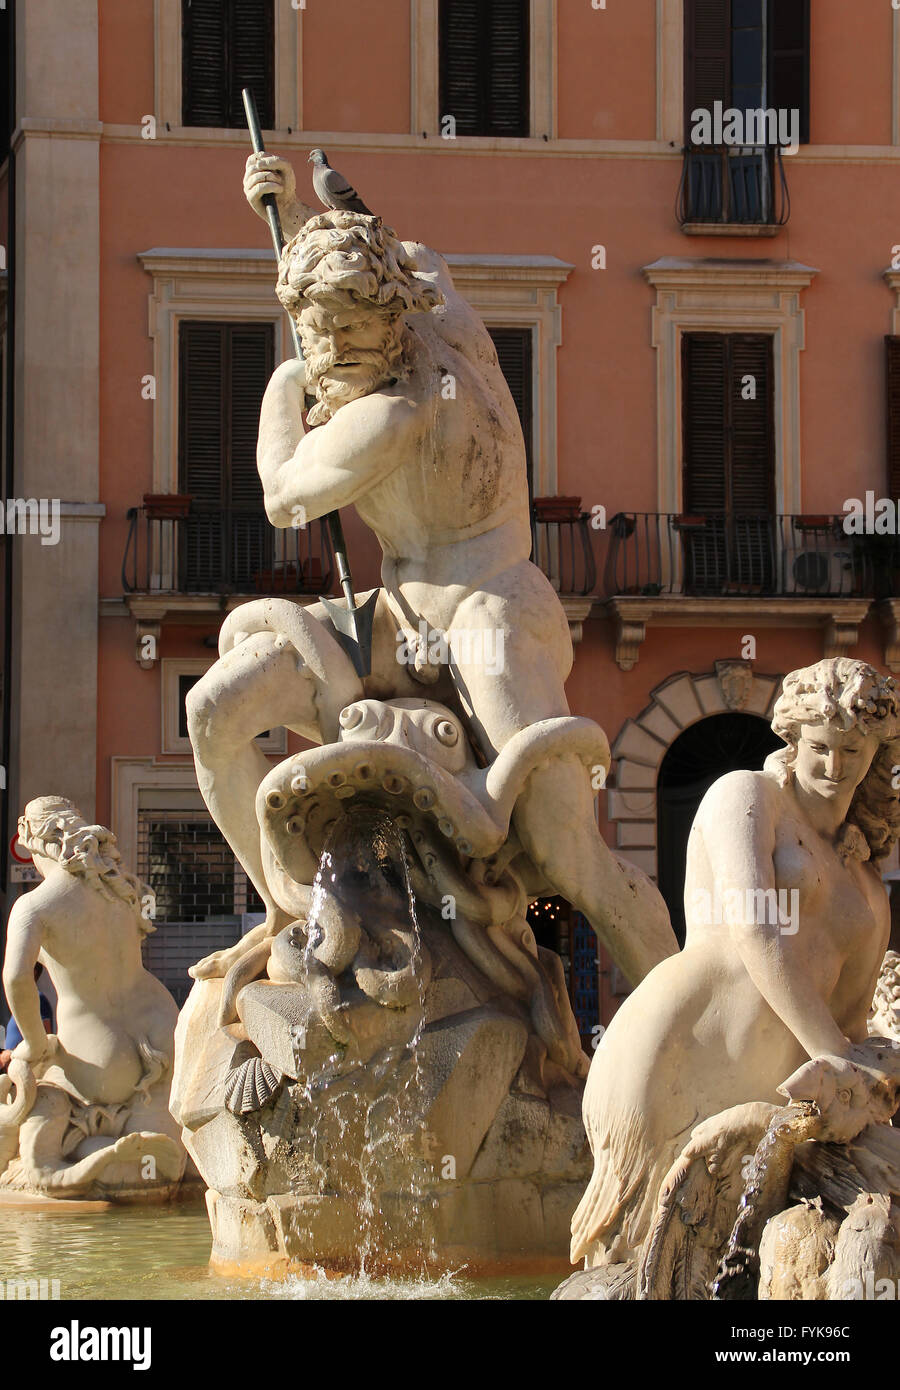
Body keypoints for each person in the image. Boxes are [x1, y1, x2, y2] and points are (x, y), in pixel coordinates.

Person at [185, 152, 678, 992]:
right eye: (315, 331)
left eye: (349, 332)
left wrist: (286, 380)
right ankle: (290, 906)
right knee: (216, 709)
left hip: (491, 611)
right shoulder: (437, 298)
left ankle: (674, 992)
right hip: (394, 617)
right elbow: (370, 254)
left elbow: (282, 497)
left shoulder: (392, 413)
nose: (334, 351)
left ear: (390, 320)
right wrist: (292, 211)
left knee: (568, 855)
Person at [570, 658, 900, 1268]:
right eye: (821, 747)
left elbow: (851, 1013)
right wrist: (835, 1055)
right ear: (794, 739)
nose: (835, 768)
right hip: (676, 1054)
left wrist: (855, 1071)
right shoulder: (746, 796)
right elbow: (754, 926)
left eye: (854, 752)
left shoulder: (867, 878)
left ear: (878, 751)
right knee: (633, 1258)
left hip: (784, 1090)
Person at [0, 963, 52, 1071]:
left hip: (24, 1069)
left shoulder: (37, 999)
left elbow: (47, 1038)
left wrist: (13, 1054)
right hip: (11, 1069)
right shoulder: (22, 1001)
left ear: (33, 972)